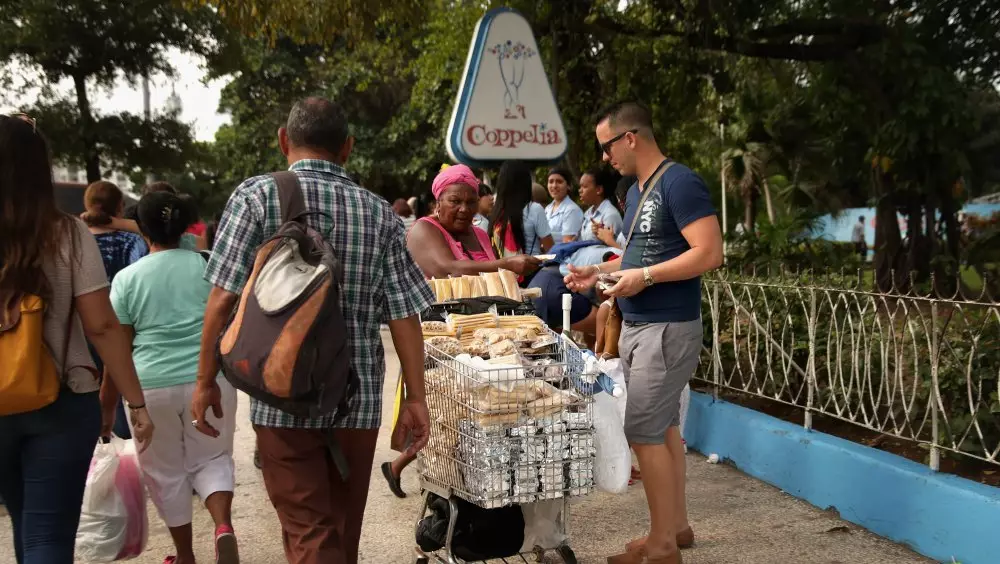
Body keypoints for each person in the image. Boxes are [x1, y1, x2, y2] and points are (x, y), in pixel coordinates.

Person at [190, 97, 434, 564]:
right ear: (347, 148)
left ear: (284, 140)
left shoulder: (256, 197)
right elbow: (405, 315)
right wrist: (415, 399)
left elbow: (222, 299)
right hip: (356, 400)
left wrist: (205, 381)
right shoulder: (380, 214)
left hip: (280, 396)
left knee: (308, 534)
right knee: (340, 535)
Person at [566, 102, 722, 564]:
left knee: (645, 431)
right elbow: (639, 258)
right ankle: (675, 528)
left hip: (667, 326)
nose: (605, 157)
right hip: (638, 323)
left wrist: (647, 278)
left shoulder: (680, 182)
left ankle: (661, 546)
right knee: (663, 427)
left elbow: (710, 252)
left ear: (629, 137)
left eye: (606, 146)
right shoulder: (635, 192)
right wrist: (598, 273)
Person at [0, 113, 153, 564]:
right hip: (63, 399)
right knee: (48, 534)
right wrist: (135, 405)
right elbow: (101, 326)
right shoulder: (66, 232)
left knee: (23, 518)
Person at [101, 192, 239, 564]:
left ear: (142, 229)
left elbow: (119, 347)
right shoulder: (209, 266)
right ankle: (223, 526)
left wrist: (106, 404)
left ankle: (185, 556)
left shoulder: (127, 279)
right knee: (212, 459)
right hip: (210, 381)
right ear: (185, 227)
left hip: (151, 386)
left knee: (165, 473)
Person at [81, 180, 148, 440]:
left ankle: (94, 450)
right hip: (121, 326)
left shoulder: (75, 241)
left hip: (79, 330)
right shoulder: (132, 241)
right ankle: (121, 447)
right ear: (120, 207)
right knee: (119, 386)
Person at [406, 164, 542, 279]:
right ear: (438, 204)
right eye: (455, 201)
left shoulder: (480, 234)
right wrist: (508, 264)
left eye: (471, 202)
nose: (464, 209)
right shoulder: (423, 228)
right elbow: (449, 270)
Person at [490, 160, 555, 257]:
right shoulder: (534, 209)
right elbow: (551, 249)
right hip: (531, 270)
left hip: (503, 270)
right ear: (526, 183)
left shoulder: (496, 212)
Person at [579, 167, 624, 242]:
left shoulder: (610, 215)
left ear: (599, 190)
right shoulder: (588, 213)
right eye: (580, 187)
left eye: (584, 187)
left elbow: (613, 246)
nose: (580, 190)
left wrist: (602, 234)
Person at [545, 167, 585, 243]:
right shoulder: (547, 209)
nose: (554, 186)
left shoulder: (572, 210)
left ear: (568, 186)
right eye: (551, 182)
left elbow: (567, 242)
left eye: (559, 182)